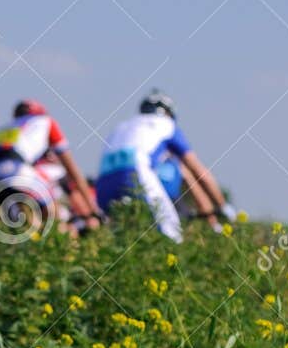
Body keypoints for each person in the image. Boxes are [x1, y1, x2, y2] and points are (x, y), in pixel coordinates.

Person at [95, 90, 231, 243]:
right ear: (169, 114)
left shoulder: (122, 126)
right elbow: (198, 171)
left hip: (104, 180)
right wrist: (223, 206)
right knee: (171, 234)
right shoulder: (167, 125)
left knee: (116, 238)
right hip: (135, 172)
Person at [0, 100, 100, 235]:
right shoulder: (46, 122)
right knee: (54, 216)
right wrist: (94, 212)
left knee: (11, 230)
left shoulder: (4, 129)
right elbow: (73, 171)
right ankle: (61, 247)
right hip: (12, 168)